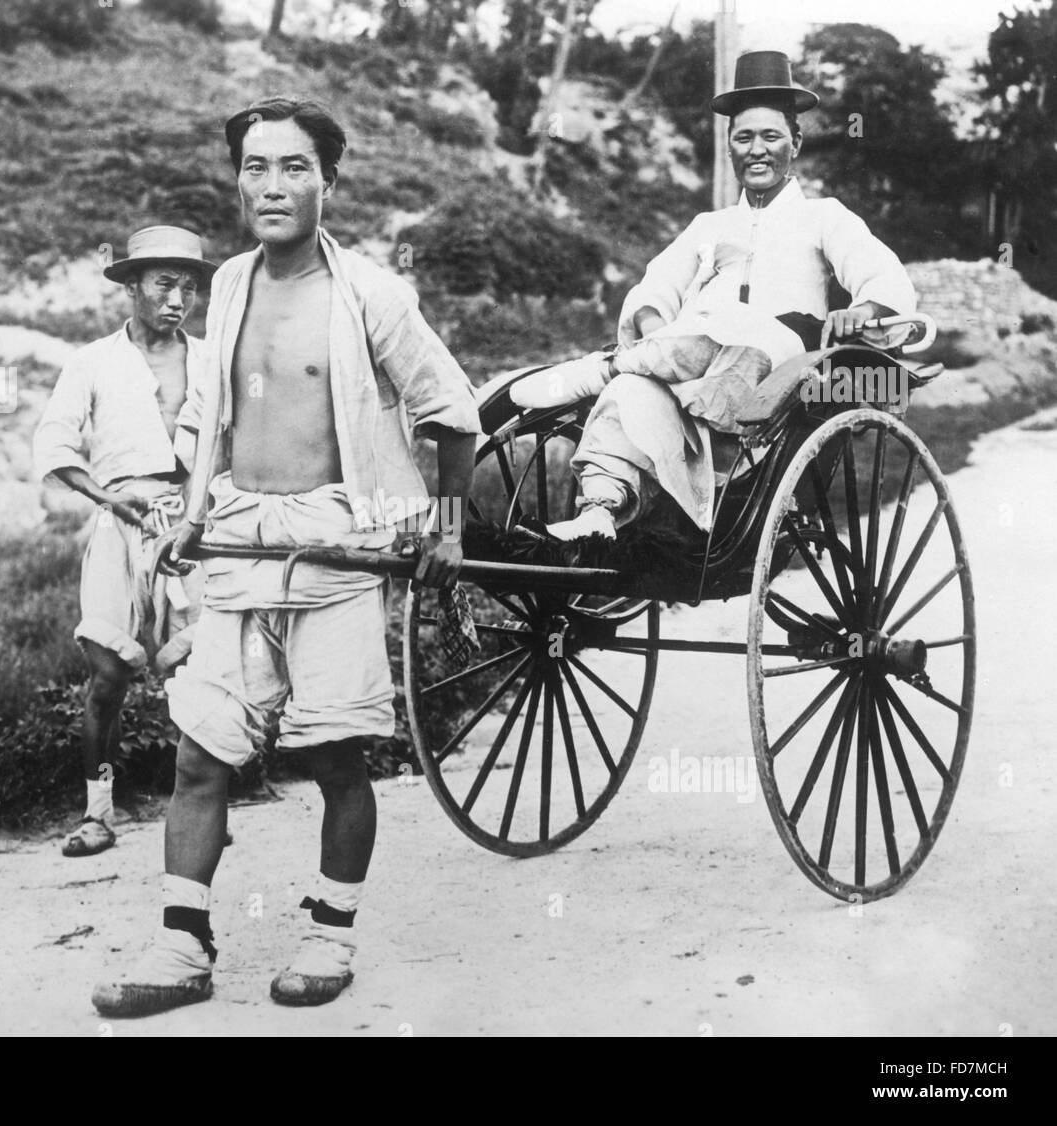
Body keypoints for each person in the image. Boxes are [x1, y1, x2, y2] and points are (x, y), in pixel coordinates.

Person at [90, 97, 481, 1016]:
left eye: (294, 167)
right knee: (199, 756)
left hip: (339, 546)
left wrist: (450, 529)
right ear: (237, 180)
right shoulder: (224, 286)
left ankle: (329, 935)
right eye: (256, 167)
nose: (272, 185)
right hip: (237, 544)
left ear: (328, 182)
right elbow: (207, 421)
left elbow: (451, 412)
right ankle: (181, 951)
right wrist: (190, 509)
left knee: (335, 758)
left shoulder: (374, 297)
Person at [513, 51, 917, 540]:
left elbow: (881, 273)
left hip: (775, 375)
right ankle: (600, 511)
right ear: (729, 146)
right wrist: (655, 326)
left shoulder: (824, 217)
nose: (757, 150)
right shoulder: (709, 226)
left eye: (771, 136)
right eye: (743, 137)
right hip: (696, 378)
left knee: (738, 328)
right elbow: (655, 288)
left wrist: (864, 311)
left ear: (796, 142)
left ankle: (609, 366)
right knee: (635, 390)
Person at [33, 226, 215, 857]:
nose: (178, 299)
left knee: (199, 670)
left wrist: (204, 510)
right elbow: (54, 445)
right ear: (132, 284)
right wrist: (109, 498)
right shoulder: (92, 362)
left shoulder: (211, 359)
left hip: (193, 526)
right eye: (164, 283)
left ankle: (199, 811)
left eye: (188, 287)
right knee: (108, 676)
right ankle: (98, 814)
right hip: (119, 526)